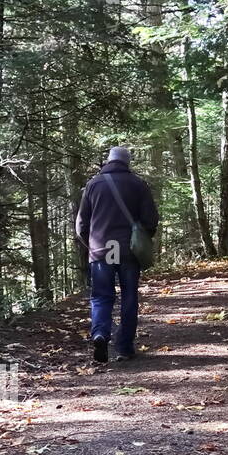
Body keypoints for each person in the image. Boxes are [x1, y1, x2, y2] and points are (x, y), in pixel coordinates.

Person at [75, 145, 158, 363]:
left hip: (102, 250)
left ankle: (100, 334)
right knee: (129, 296)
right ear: (127, 162)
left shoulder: (93, 185)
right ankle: (124, 348)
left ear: (108, 161)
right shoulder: (138, 184)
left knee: (102, 296)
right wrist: (142, 238)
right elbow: (150, 220)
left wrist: (91, 244)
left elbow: (81, 224)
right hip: (128, 251)